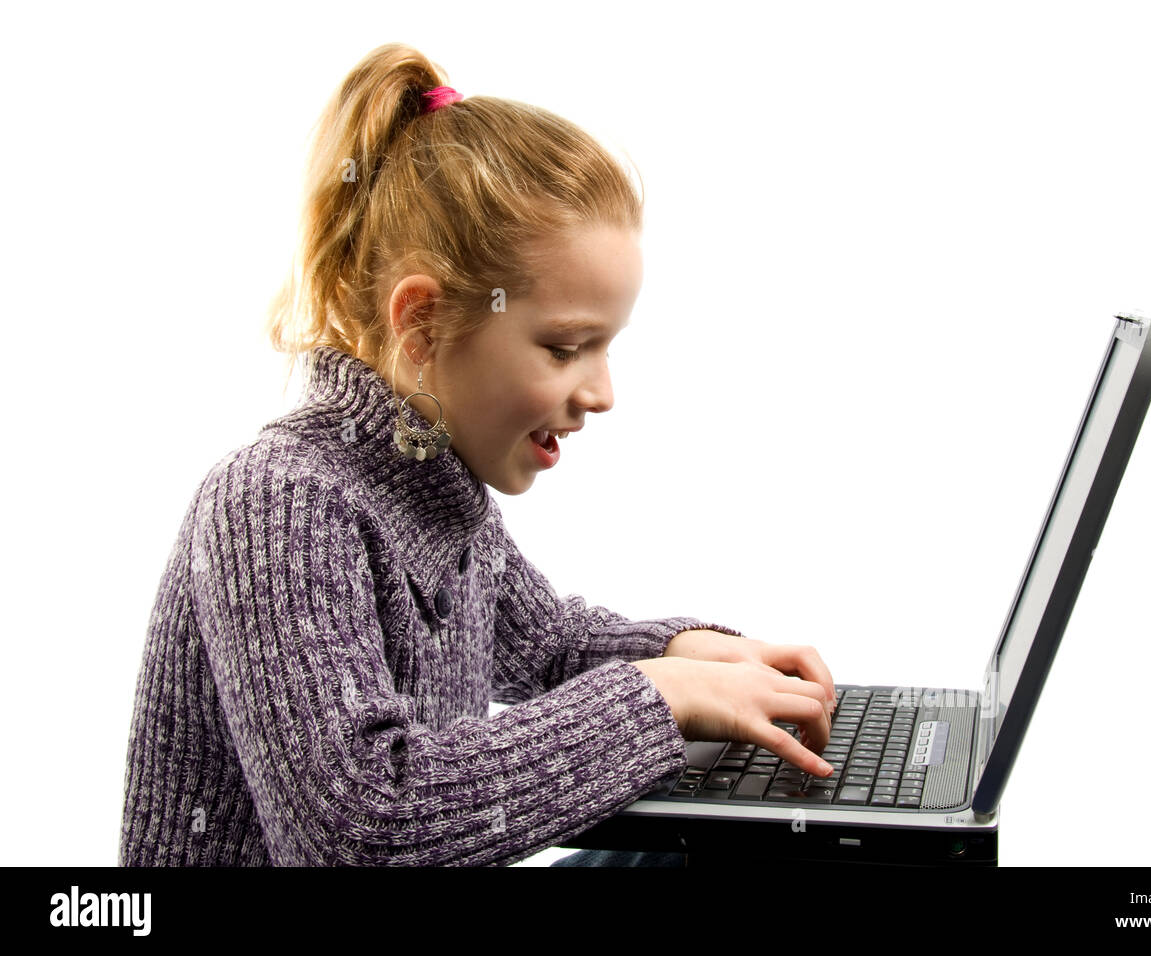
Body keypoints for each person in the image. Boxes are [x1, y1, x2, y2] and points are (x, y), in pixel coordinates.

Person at [117, 43, 838, 868]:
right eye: (567, 346)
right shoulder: (278, 501)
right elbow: (360, 826)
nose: (602, 392)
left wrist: (689, 654)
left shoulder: (434, 485)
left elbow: (551, 643)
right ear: (423, 325)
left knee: (769, 842)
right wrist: (659, 700)